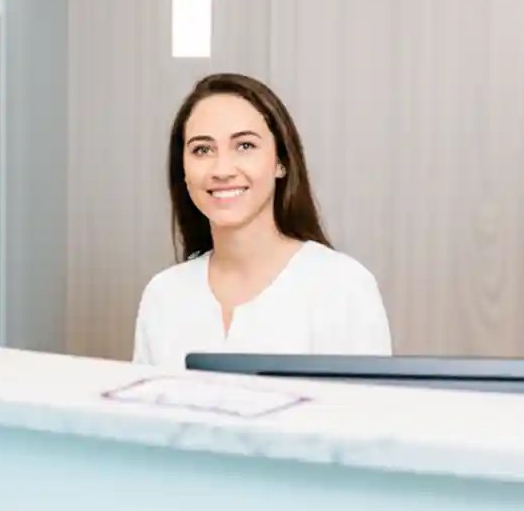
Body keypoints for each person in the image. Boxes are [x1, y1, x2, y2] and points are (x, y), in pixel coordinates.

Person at [132, 72, 391, 370]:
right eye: (202, 150)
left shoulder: (342, 287)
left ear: (281, 162)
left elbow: (367, 413)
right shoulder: (163, 295)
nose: (222, 169)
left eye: (244, 146)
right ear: (184, 169)